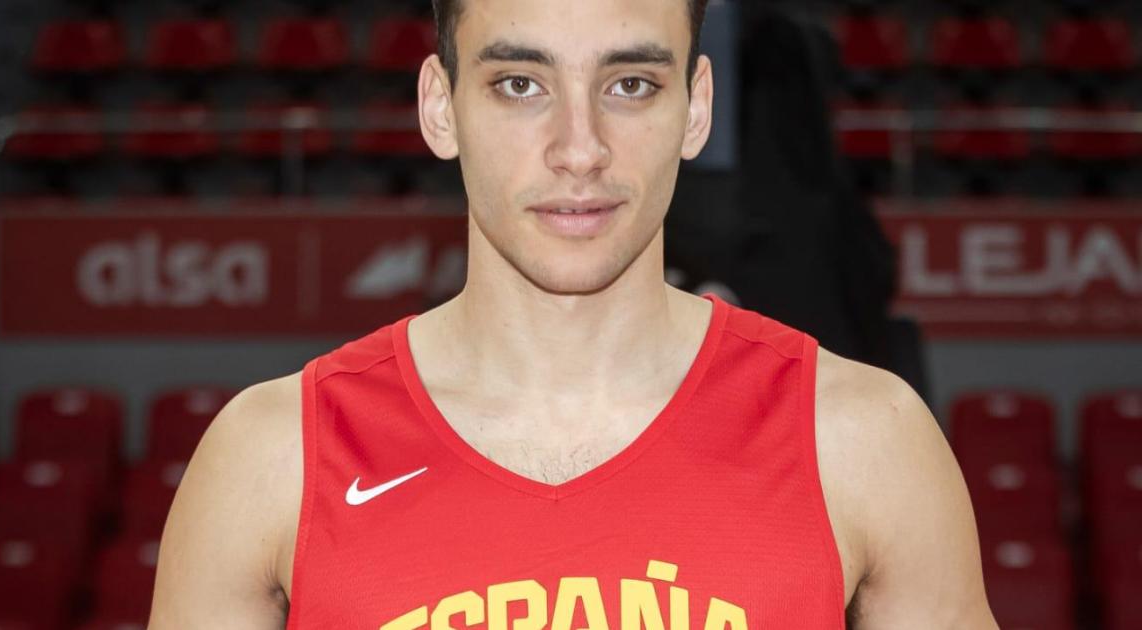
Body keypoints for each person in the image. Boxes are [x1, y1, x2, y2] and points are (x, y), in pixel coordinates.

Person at [149, 0, 998, 628]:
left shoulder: (861, 439)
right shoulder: (274, 458)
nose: (580, 149)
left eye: (631, 84)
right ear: (440, 106)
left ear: (696, 108)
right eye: (520, 85)